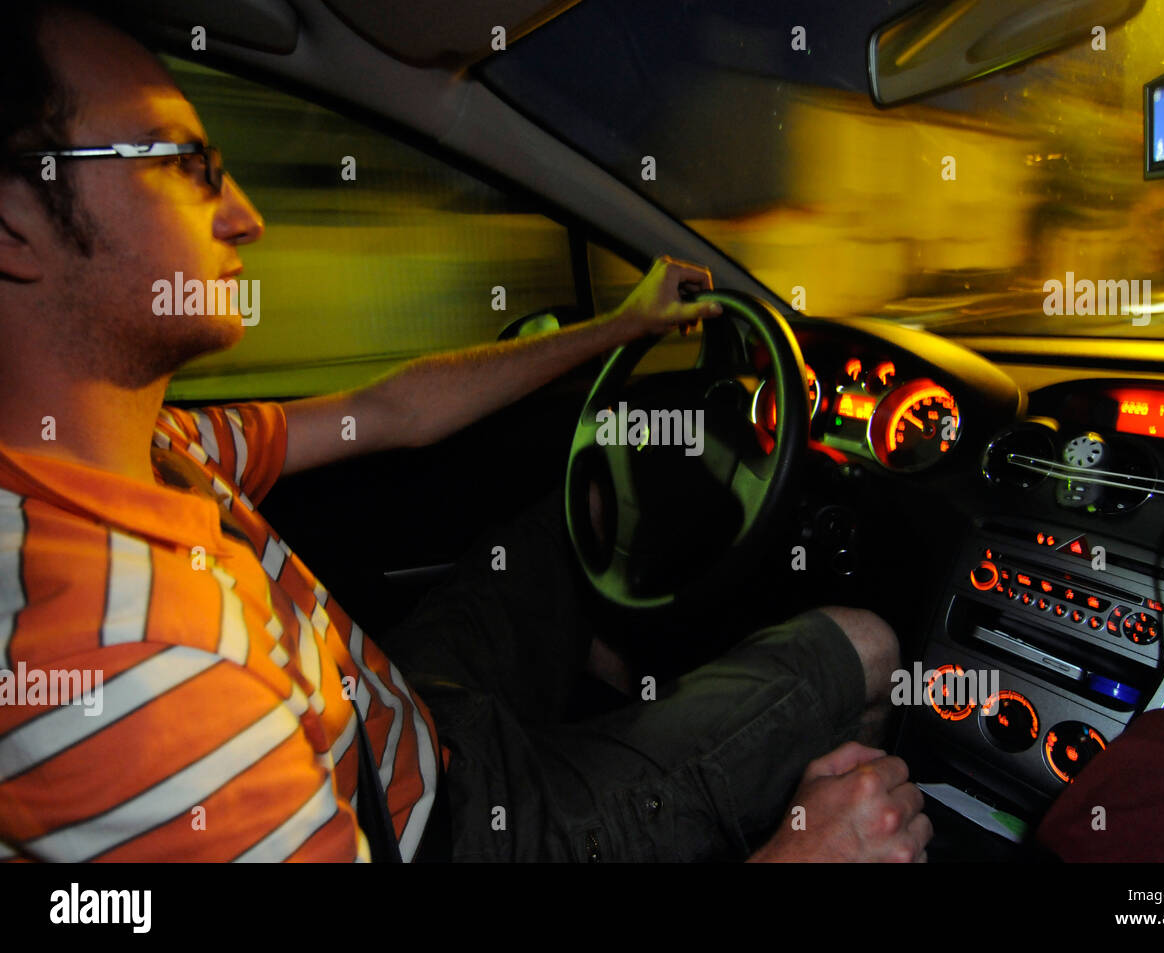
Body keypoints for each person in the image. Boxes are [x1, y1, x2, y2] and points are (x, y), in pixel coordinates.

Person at [0, 3, 931, 863]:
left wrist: (624, 324)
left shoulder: (149, 445)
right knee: (866, 642)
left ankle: (609, 707)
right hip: (453, 833)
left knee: (579, 511)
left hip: (407, 719)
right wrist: (799, 852)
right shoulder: (125, 675)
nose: (246, 215)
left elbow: (399, 411)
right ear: (13, 223)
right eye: (181, 160)